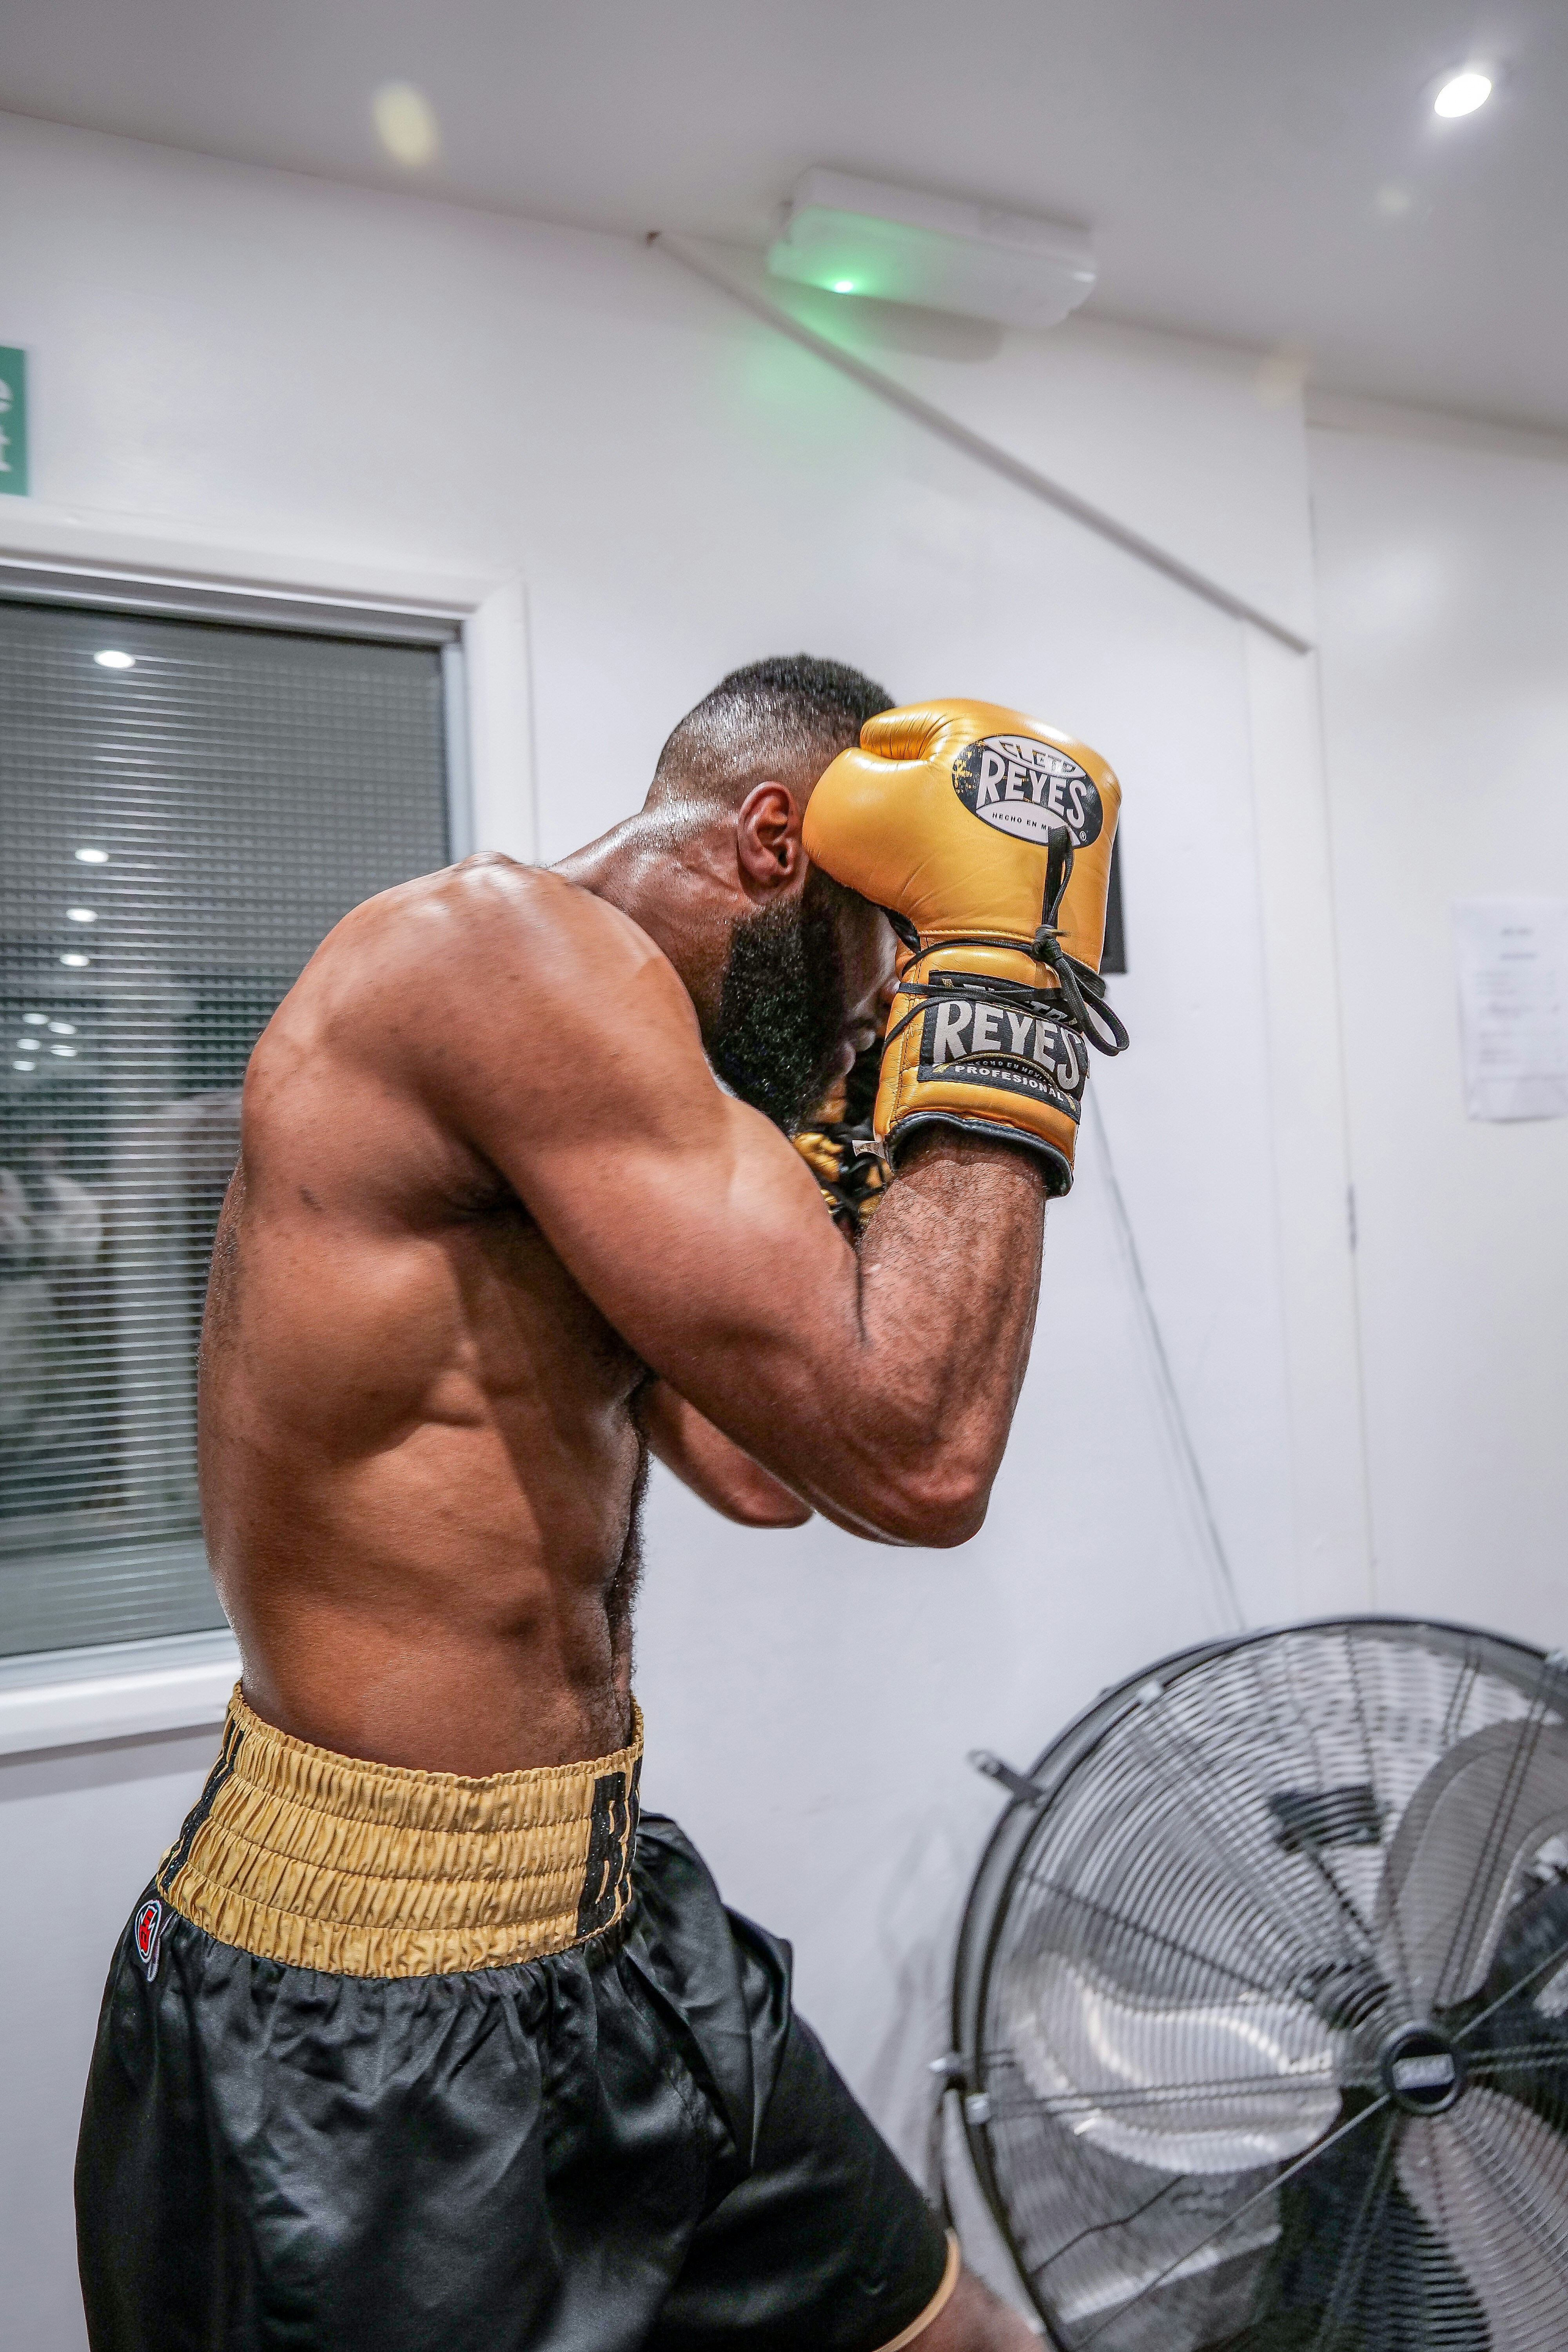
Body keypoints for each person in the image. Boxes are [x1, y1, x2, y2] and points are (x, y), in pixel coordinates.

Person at [76, 657, 1123, 2352]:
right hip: (362, 2003)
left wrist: (853, 1137)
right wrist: (999, 981)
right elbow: (918, 1460)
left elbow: (768, 1475)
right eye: (878, 976)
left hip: (622, 1922)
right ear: (776, 843)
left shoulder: (624, 1085)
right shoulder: (491, 956)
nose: (871, 1030)